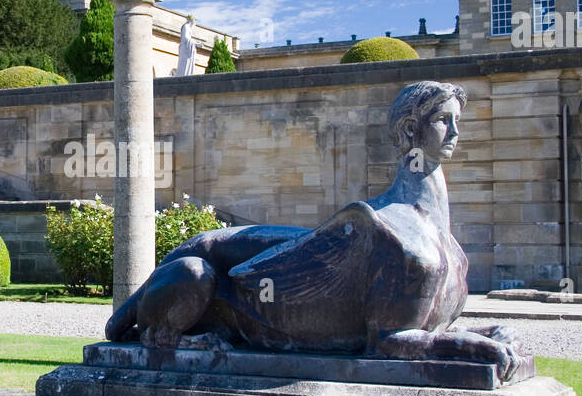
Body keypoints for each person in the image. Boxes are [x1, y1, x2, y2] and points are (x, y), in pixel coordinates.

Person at [105, 80, 527, 377]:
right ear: (409, 130)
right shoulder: (391, 233)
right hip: (206, 280)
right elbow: (389, 343)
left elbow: (428, 330)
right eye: (442, 121)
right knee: (194, 274)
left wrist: (477, 335)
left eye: (456, 120)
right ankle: (165, 336)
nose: (455, 132)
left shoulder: (441, 245)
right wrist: (470, 348)